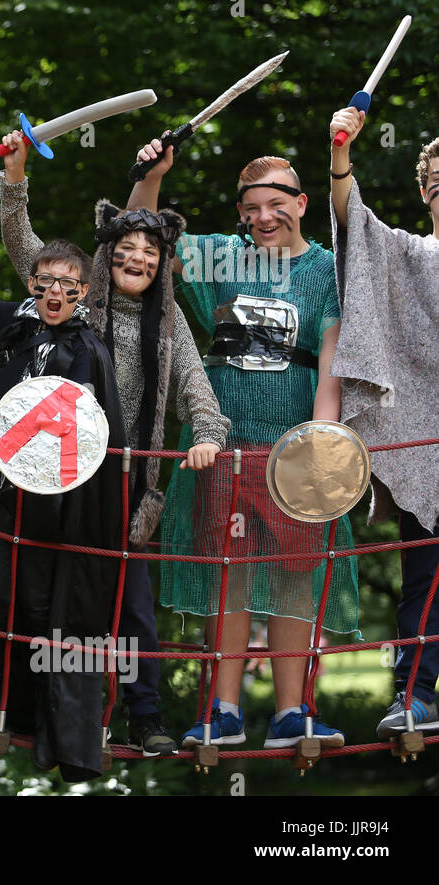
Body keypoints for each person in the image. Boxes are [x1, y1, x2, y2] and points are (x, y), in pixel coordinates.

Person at [0, 130, 229, 757]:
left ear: (162, 266)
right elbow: (24, 249)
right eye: (126, 249)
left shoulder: (169, 321)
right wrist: (14, 178)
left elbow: (196, 392)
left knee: (133, 611)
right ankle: (39, 718)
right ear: (107, 256)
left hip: (128, 487)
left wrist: (206, 435)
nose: (139, 261)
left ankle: (145, 719)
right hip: (61, 477)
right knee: (51, 603)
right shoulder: (74, 301)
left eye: (150, 255)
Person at [130, 137, 357, 749]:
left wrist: (320, 446)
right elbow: (143, 239)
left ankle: (291, 714)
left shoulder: (325, 271)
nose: (263, 217)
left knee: (293, 577)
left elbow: (332, 362)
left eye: (276, 203)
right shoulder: (221, 258)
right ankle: (221, 711)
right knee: (226, 575)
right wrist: (150, 177)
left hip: (296, 452)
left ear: (302, 203)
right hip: (222, 449)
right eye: (251, 207)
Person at [0, 238, 129, 780]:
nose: (53, 291)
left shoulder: (89, 351)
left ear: (83, 291)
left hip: (48, 505)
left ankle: (39, 721)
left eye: (66, 283)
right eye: (43, 281)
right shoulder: (21, 321)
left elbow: (87, 437)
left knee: (41, 609)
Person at [329, 107, 439, 738]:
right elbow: (353, 224)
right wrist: (341, 153)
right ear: (425, 190)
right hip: (429, 446)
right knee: (425, 575)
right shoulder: (406, 253)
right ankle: (417, 695)